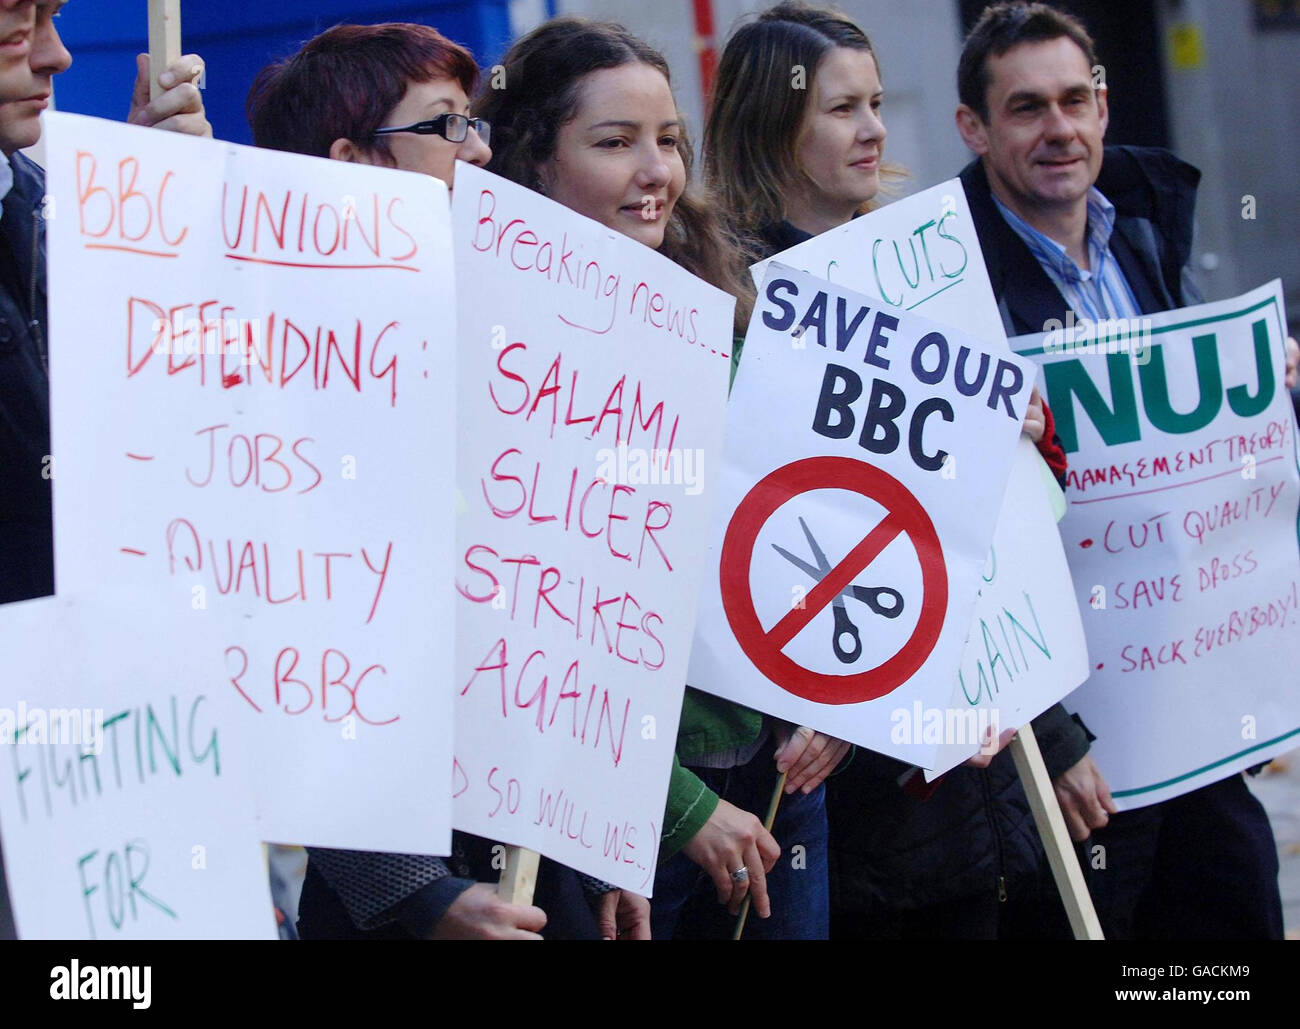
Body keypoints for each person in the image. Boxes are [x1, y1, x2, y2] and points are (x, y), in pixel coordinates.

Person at [248, 22, 649, 941]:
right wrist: (415, 895)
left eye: (476, 124)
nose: (478, 148)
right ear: (351, 165)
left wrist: (599, 843)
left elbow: (561, 618)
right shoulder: (283, 385)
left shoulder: (502, 341)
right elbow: (302, 659)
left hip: (538, 856)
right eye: (443, 128)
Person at [704, 0, 1087, 941]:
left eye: (875, 102)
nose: (875, 128)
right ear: (771, 120)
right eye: (843, 109)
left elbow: (1004, 523)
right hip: (841, 775)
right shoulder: (733, 307)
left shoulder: (927, 270)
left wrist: (1027, 434)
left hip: (974, 767)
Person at [471, 16, 843, 941]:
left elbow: (809, 516)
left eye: (670, 141)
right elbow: (513, 626)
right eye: (614, 142)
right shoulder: (494, 351)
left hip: (775, 781)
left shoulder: (723, 310)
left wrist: (836, 688)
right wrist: (673, 810)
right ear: (532, 158)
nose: (656, 172)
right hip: (610, 821)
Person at [954, 1, 1285, 939]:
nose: (1058, 129)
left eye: (1074, 99)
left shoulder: (1142, 232)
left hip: (1195, 717)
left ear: (1103, 106)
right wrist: (1048, 734)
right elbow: (951, 538)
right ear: (974, 129)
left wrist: (1266, 380)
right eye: (1026, 108)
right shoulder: (952, 289)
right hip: (1075, 742)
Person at [0, 0, 210, 940]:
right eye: (13, 21)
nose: (57, 53)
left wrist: (139, 211)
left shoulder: (39, 202)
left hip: (94, 751)